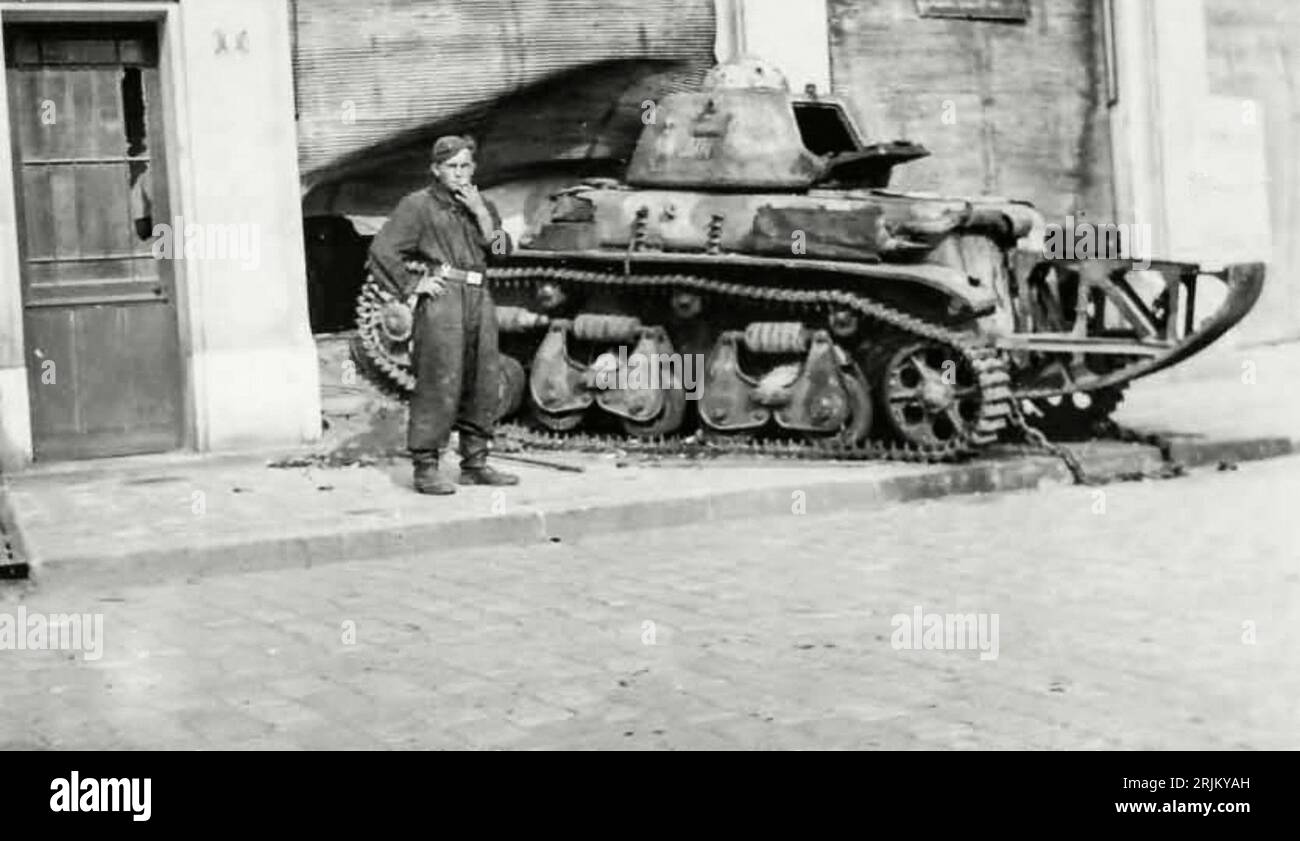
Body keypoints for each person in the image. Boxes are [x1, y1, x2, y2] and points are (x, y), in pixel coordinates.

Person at [368, 135, 519, 495]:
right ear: (436, 170)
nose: (460, 174)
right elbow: (383, 249)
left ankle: (475, 463)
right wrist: (412, 285)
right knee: (439, 378)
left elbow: (502, 253)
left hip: (479, 294)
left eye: (466, 166)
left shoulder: (483, 205)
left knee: (482, 378)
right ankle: (426, 467)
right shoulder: (418, 206)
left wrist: (482, 213)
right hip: (444, 298)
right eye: (451, 167)